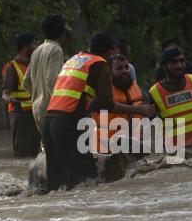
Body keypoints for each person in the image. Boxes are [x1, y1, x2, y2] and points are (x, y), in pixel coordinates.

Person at [42, 32, 156, 192]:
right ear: (110, 51)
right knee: (85, 181)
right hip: (69, 122)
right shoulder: (100, 64)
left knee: (57, 184)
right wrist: (140, 109)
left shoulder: (76, 59)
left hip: (48, 122)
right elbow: (107, 103)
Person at [92, 54, 145, 153]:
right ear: (110, 73)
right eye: (119, 68)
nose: (125, 71)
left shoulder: (135, 89)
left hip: (133, 149)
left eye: (126, 67)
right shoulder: (102, 91)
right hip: (106, 151)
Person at [24, 15, 65, 132]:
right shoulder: (56, 50)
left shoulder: (37, 50)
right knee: (56, 148)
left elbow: (26, 82)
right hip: (51, 109)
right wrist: (60, 104)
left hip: (36, 108)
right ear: (61, 32)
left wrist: (37, 96)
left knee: (46, 146)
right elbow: (51, 80)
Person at [2, 33, 41, 157]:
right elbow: (5, 93)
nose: (36, 47)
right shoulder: (12, 67)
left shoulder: (33, 66)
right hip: (20, 116)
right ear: (26, 47)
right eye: (33, 44)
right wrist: (7, 98)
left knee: (36, 154)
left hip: (34, 114)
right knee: (22, 155)